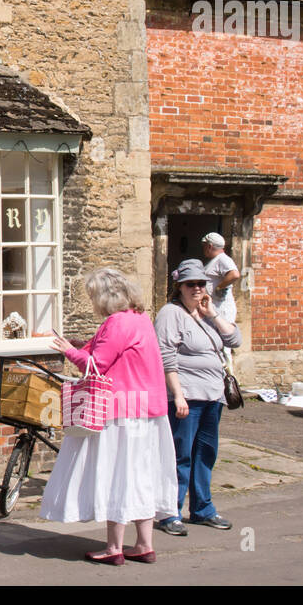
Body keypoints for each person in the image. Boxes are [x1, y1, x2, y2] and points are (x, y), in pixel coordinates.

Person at [42, 268, 176, 565]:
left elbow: (97, 365)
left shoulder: (116, 323)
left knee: (117, 475)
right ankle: (144, 544)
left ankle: (114, 548)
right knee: (141, 476)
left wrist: (68, 351)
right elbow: (109, 351)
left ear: (104, 297)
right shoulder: (140, 320)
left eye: (93, 296)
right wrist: (81, 346)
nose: (92, 302)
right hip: (148, 409)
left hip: (121, 412)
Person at [154, 259, 242, 536]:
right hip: (186, 396)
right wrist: (177, 395)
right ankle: (170, 511)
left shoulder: (206, 315)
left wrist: (213, 313)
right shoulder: (170, 314)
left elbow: (235, 340)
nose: (196, 289)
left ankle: (203, 508)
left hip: (213, 396)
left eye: (201, 284)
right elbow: (166, 356)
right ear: (179, 287)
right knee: (180, 455)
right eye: (190, 284)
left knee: (206, 453)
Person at [201, 233, 240, 325]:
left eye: (204, 246)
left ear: (209, 246)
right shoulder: (215, 259)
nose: (203, 249)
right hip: (214, 307)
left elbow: (234, 274)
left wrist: (219, 287)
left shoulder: (222, 259)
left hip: (221, 308)